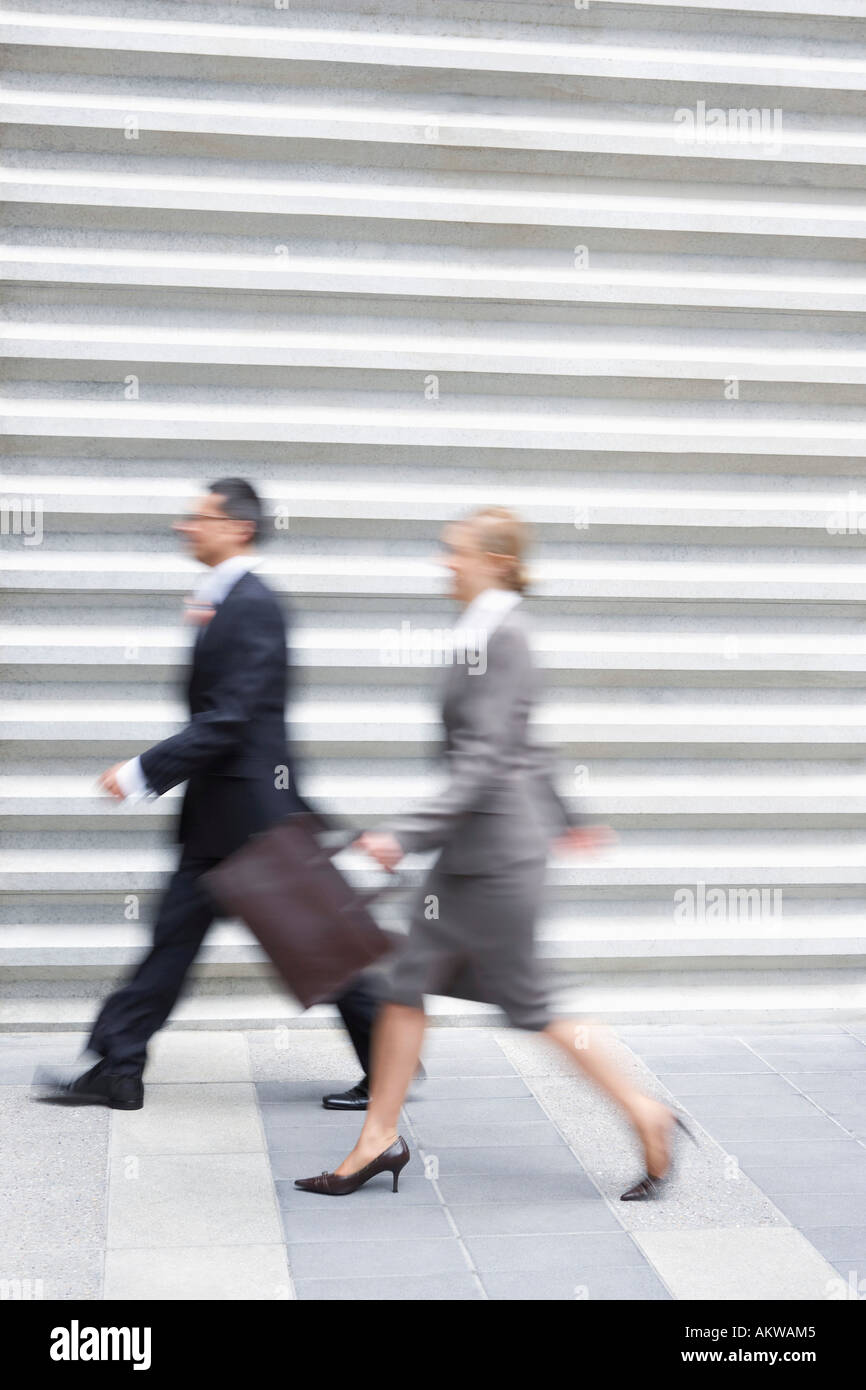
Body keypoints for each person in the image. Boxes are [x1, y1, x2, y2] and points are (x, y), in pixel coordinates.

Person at [295, 506, 692, 1201]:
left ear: (499, 561)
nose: (445, 563)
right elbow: (523, 741)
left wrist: (402, 833)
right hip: (474, 858)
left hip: (495, 863)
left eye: (457, 552)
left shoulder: (502, 634)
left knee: (530, 1005)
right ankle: (377, 1138)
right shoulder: (485, 628)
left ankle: (646, 1112)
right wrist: (570, 815)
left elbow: (481, 759)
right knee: (403, 985)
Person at [35, 478, 379, 1110]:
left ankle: (389, 1062)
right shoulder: (225, 599)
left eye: (199, 517)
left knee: (320, 947)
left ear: (238, 527)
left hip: (251, 822)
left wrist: (143, 771)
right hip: (222, 817)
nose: (184, 527)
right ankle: (119, 1066)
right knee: (171, 944)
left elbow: (233, 719)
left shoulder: (252, 603)